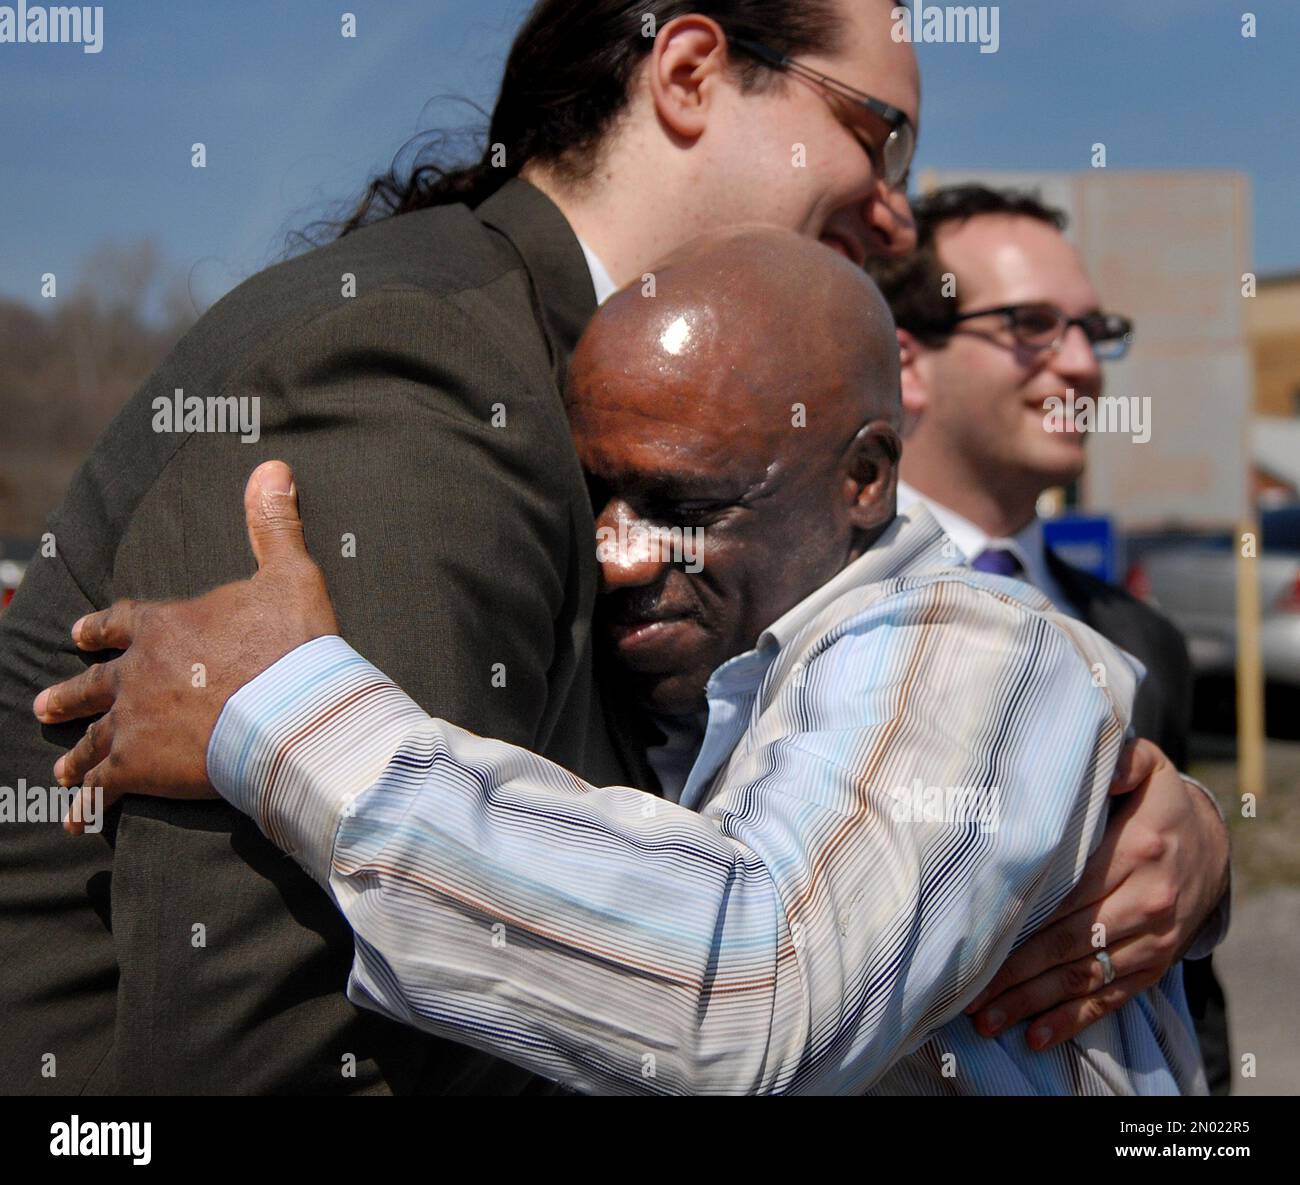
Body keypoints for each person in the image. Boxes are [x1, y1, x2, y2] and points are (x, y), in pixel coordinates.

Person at [42, 229, 1214, 1094]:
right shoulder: (690, 688)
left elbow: (759, 992)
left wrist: (283, 718)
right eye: (595, 497)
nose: (613, 554)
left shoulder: (977, 647)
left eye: (676, 503)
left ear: (863, 480)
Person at [0, 0, 922, 1095]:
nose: (901, 217)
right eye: (882, 136)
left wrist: (1094, 803)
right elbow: (301, 1040)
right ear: (687, 72)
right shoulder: (420, 364)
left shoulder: (542, 373)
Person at [864, 183, 1231, 1091]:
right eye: (1030, 325)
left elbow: (1188, 991)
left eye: (1091, 329)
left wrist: (1207, 867)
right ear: (909, 361)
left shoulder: (1142, 637)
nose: (1081, 365)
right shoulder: (817, 599)